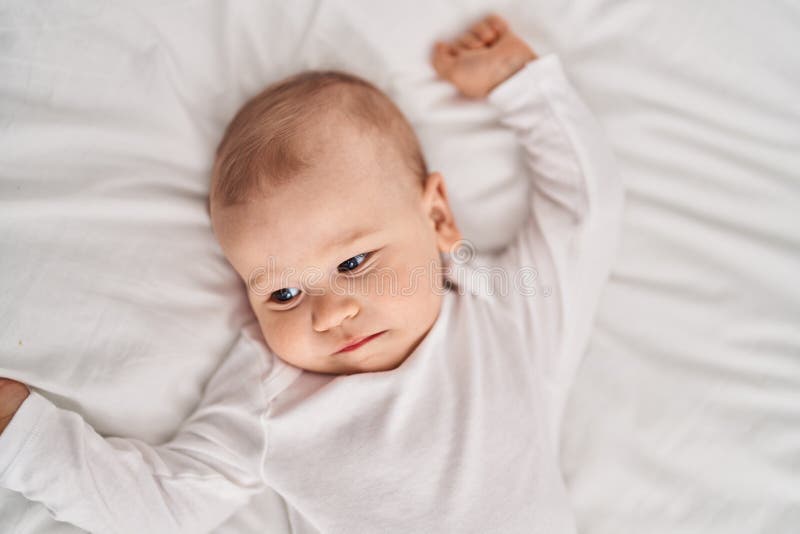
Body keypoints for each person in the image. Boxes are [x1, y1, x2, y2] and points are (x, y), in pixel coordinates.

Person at [0, 13, 624, 534]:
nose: (326, 314)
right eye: (283, 292)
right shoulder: (273, 397)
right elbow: (168, 504)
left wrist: (522, 88)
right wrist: (23, 438)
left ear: (437, 217)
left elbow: (585, 211)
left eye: (353, 262)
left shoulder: (503, 314)